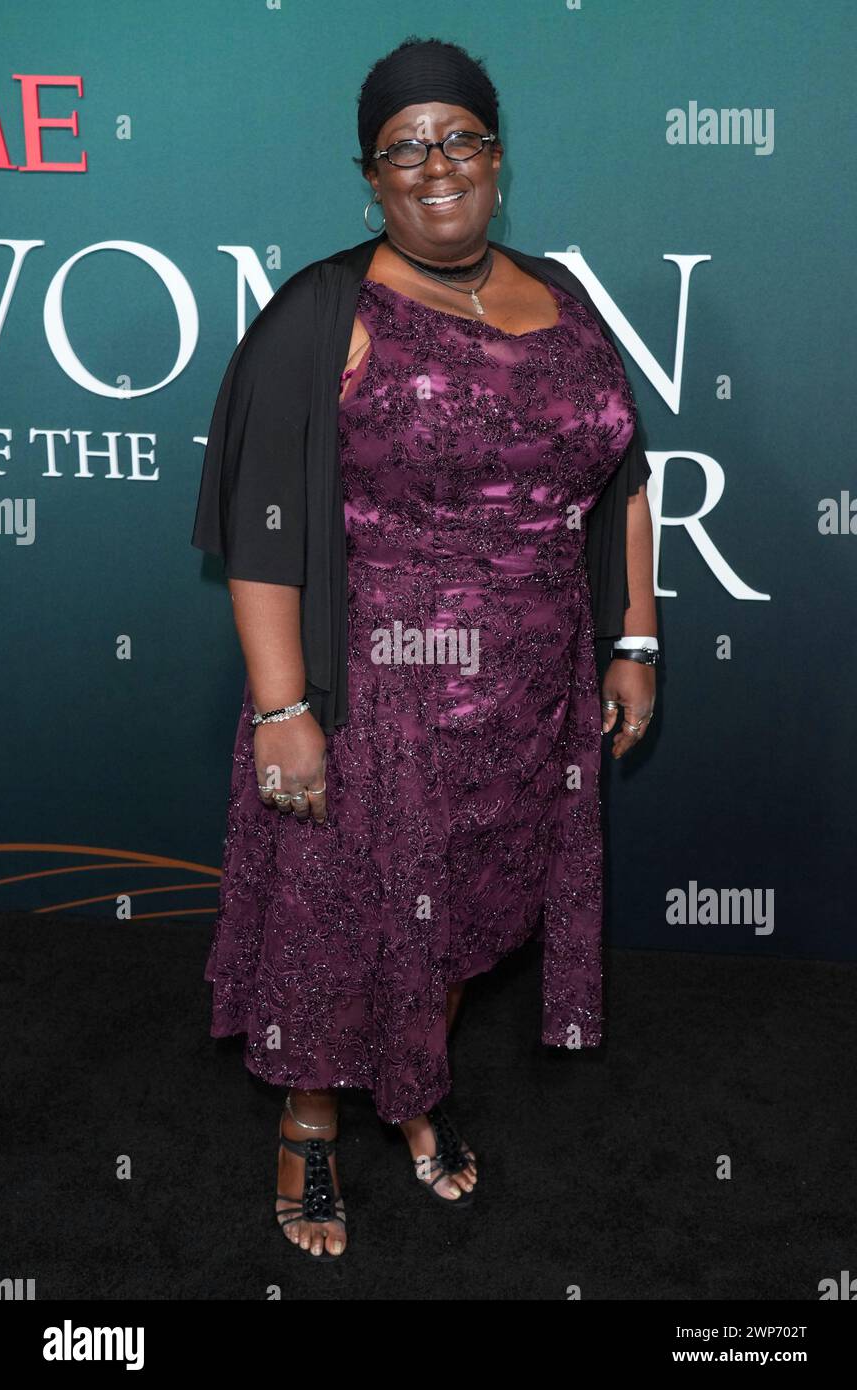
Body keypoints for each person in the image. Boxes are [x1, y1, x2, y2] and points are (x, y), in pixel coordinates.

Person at [191, 36, 657, 1261]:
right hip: (380, 690)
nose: (433, 164)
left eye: (458, 137)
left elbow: (624, 476)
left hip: (533, 692)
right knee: (342, 918)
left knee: (461, 916)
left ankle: (412, 1085)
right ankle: (307, 1125)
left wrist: (636, 638)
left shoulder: (560, 293)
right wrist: (284, 710)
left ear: (498, 157)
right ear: (371, 177)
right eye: (404, 146)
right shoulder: (322, 309)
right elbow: (262, 528)